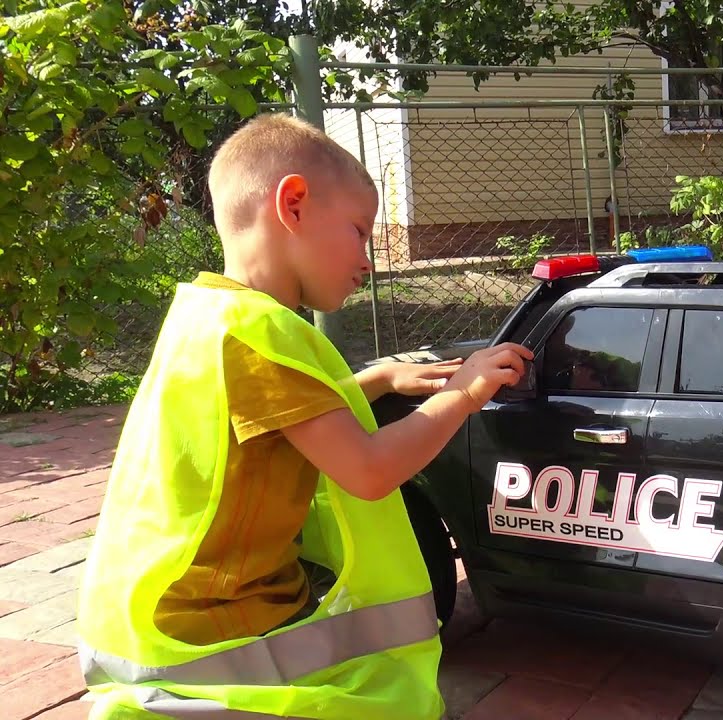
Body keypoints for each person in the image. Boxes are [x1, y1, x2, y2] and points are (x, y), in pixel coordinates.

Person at [74, 113, 533, 719]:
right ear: (293, 204)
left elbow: (273, 413)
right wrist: (466, 392)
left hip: (147, 609)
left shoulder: (208, 313)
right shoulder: (262, 333)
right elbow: (368, 470)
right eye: (359, 231)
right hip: (211, 636)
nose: (368, 260)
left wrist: (376, 378)